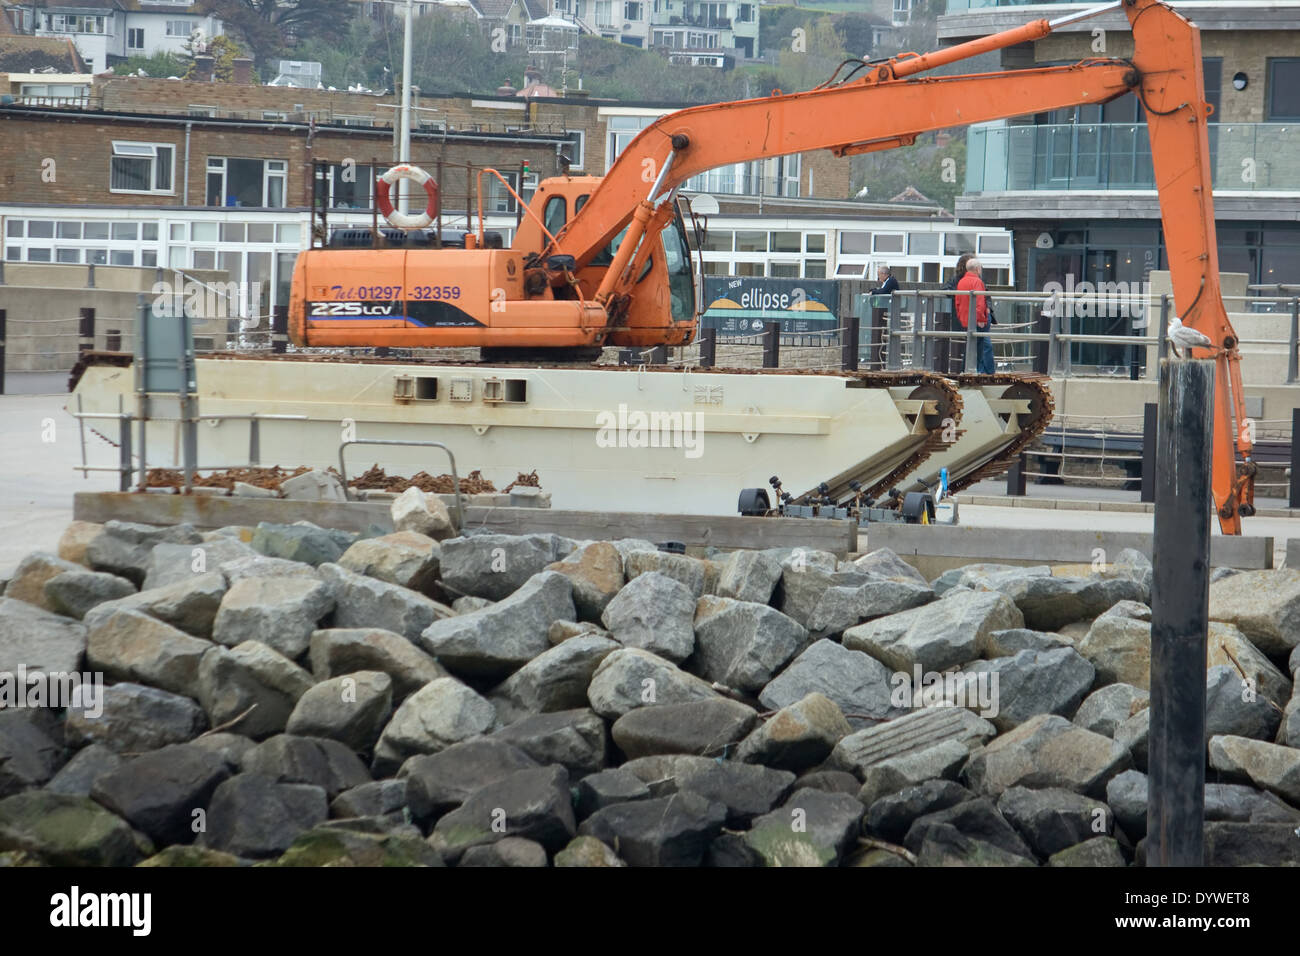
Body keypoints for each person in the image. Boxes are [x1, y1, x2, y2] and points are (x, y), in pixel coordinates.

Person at [955, 257, 996, 374]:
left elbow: (957, 302)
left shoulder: (961, 282)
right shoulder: (977, 281)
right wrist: (981, 319)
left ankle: (965, 370)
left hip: (965, 319)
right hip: (977, 320)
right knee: (979, 347)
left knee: (969, 347)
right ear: (978, 269)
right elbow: (980, 301)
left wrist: (961, 317)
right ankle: (977, 372)